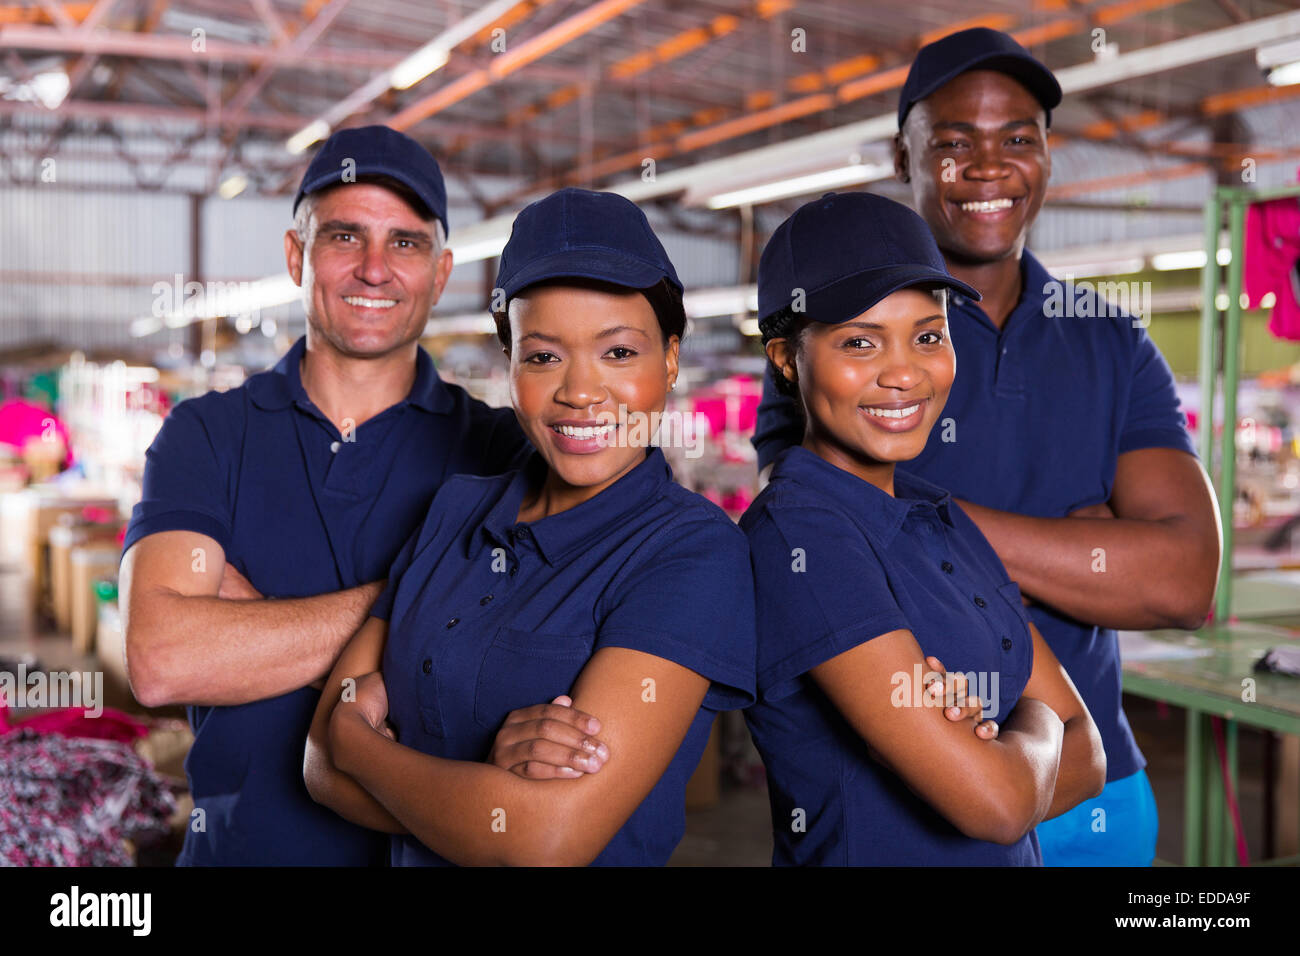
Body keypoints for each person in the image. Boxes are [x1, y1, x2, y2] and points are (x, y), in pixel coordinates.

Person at [751, 28, 1221, 866]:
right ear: (906, 155)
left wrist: (933, 534)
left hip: (1099, 786)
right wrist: (1084, 543)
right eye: (954, 143)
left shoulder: (1112, 342)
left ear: (1047, 154)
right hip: (913, 795)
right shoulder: (822, 332)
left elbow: (1184, 581)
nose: (988, 168)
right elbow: (822, 545)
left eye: (1017, 140)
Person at [119, 125, 537, 866]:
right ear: (296, 256)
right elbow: (161, 657)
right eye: (345, 236)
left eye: (405, 244)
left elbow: (527, 651)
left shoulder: (502, 452)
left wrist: (248, 627)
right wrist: (430, 605)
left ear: (441, 273)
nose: (375, 269)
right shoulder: (206, 436)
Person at [304, 187, 756, 866]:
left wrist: (356, 742)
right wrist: (482, 800)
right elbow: (316, 769)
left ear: (670, 359)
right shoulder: (455, 509)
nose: (579, 391)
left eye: (619, 353)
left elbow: (545, 839)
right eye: (543, 356)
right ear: (509, 366)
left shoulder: (691, 554)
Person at [743, 190, 1105, 865]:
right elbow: (995, 806)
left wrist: (999, 749)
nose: (905, 373)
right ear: (787, 359)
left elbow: (1094, 754)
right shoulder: (801, 537)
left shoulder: (941, 515)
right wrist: (1033, 723)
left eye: (928, 336)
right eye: (860, 341)